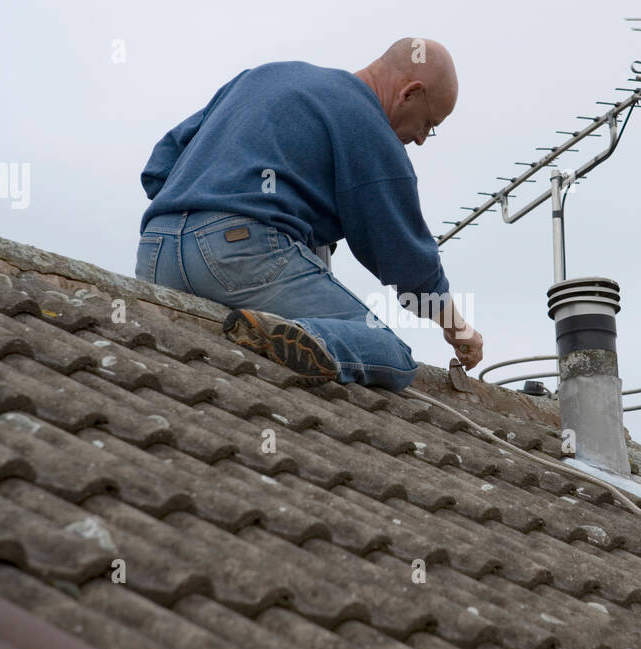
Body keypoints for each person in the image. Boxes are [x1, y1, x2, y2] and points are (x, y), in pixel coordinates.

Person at [135, 37, 483, 391]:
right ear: (409, 93)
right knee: (393, 355)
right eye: (428, 124)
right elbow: (408, 263)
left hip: (154, 253)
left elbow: (159, 165)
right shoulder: (368, 125)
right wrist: (457, 328)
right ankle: (298, 335)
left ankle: (264, 325)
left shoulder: (262, 77)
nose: (422, 139)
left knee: (314, 243)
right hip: (237, 257)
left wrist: (193, 221)